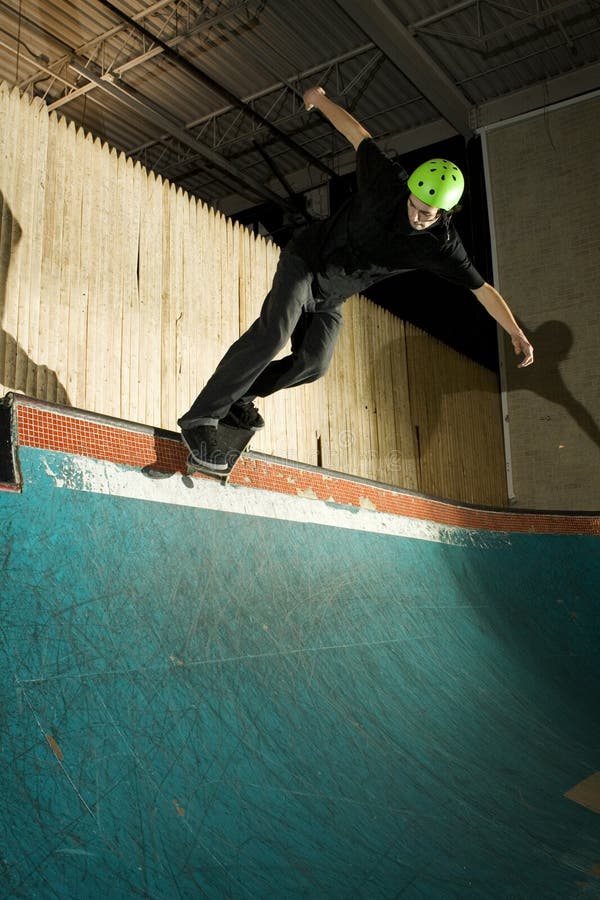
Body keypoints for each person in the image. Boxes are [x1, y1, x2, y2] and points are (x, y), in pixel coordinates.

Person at [178, 86, 534, 471]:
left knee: (314, 363)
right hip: (306, 262)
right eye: (415, 205)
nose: (417, 216)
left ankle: (241, 396)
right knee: (274, 333)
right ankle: (201, 419)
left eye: (428, 214)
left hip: (332, 296)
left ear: (446, 213)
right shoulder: (387, 181)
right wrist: (320, 99)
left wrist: (514, 332)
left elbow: (482, 289)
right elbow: (357, 134)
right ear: (410, 190)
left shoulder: (443, 246)